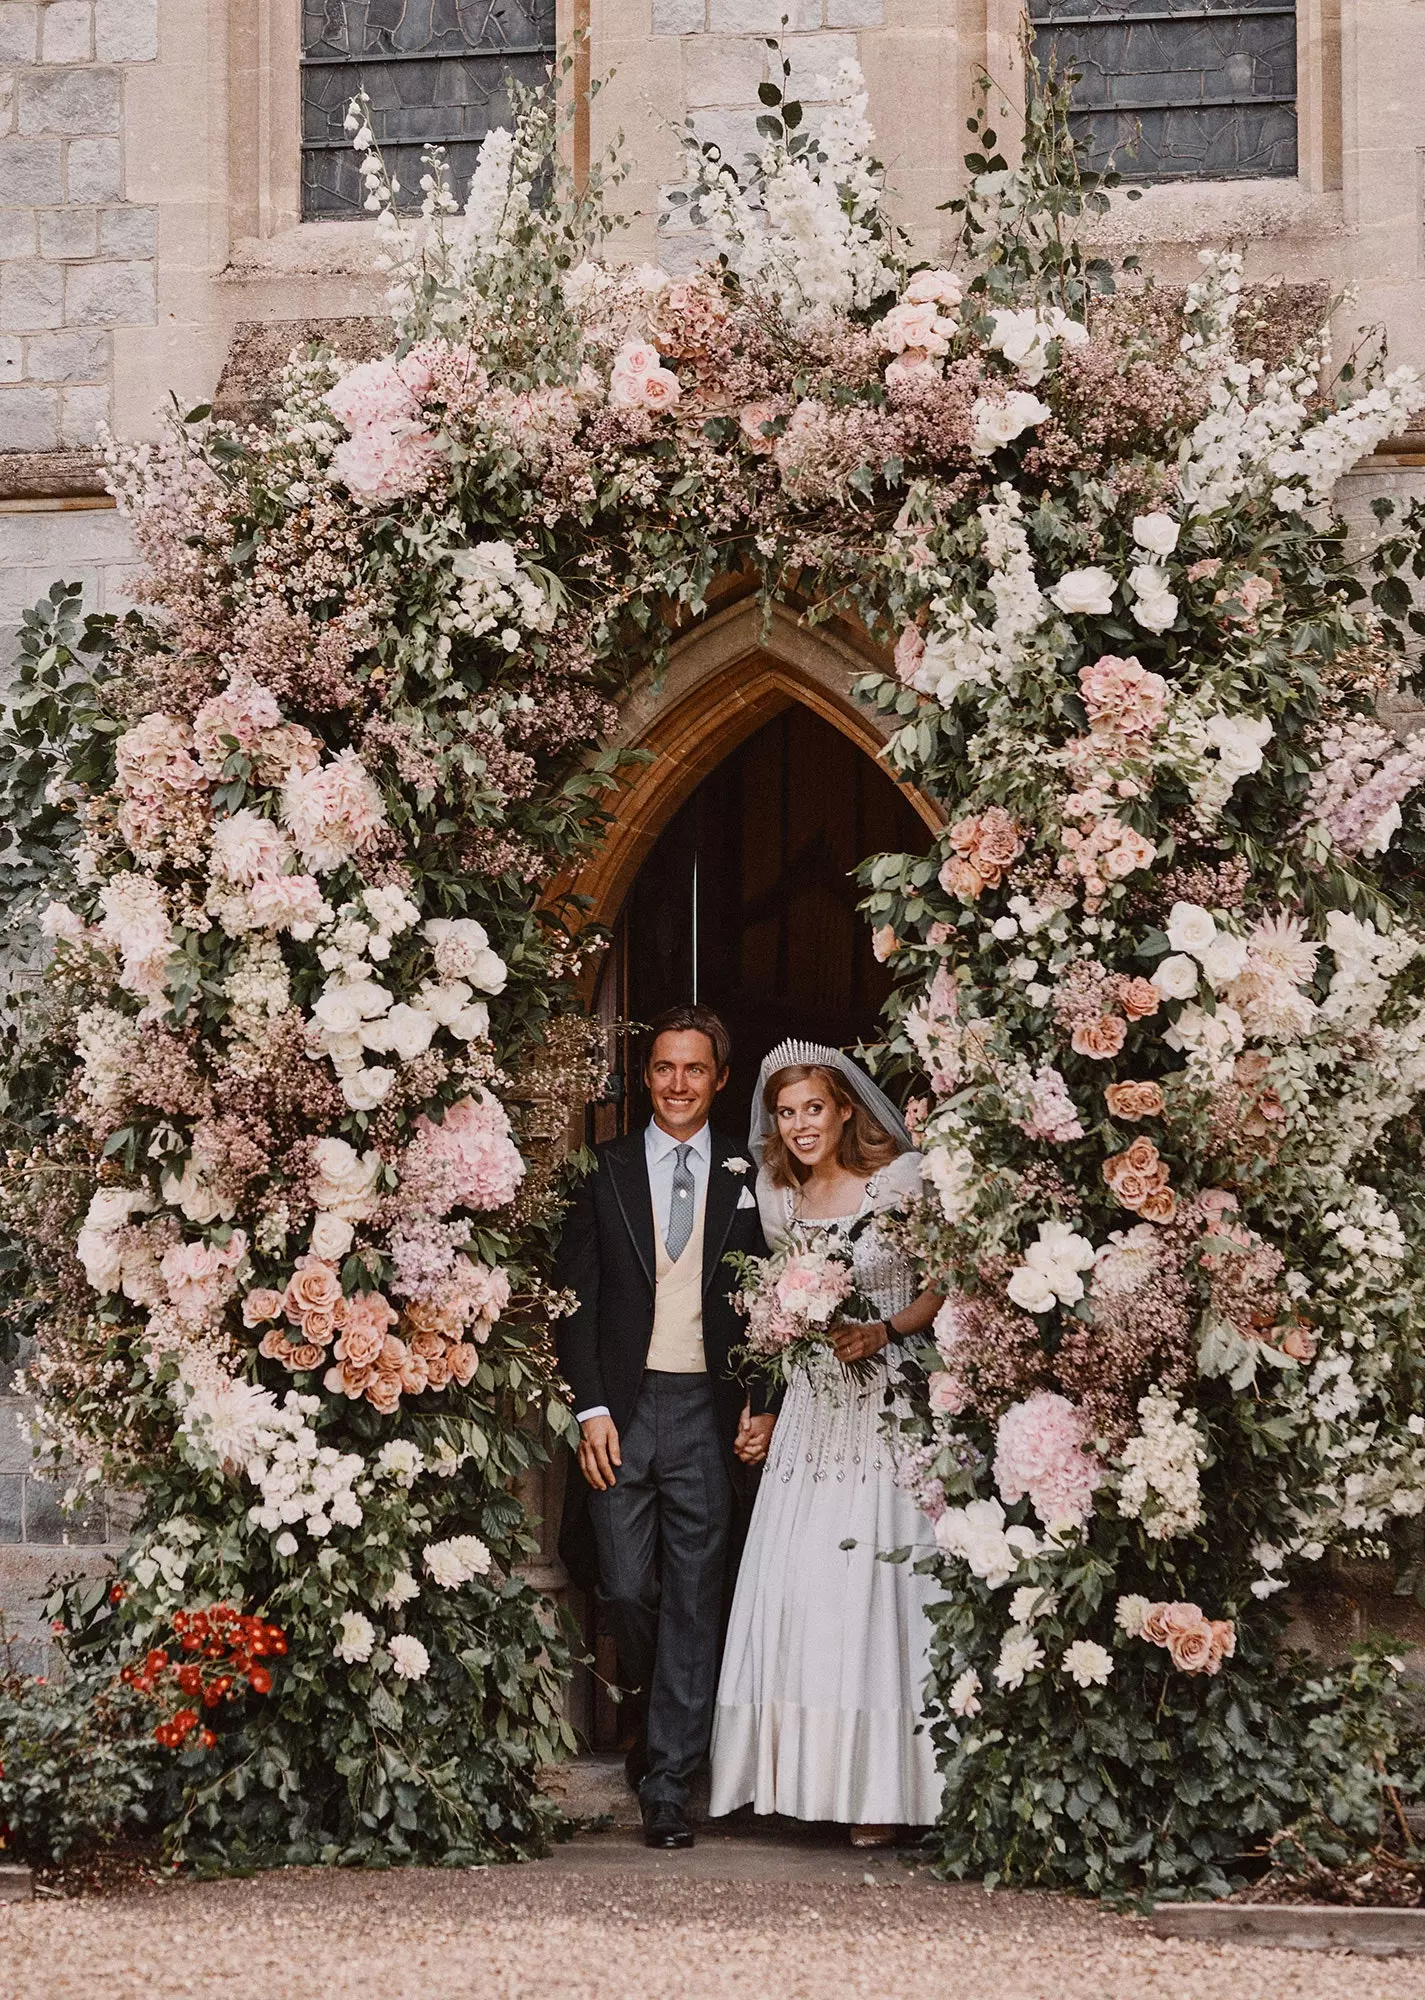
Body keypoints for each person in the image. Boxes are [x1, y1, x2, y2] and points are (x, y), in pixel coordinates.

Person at [709, 1039, 944, 1845]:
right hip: (812, 1412)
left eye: (814, 1108)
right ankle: (802, 1779)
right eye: (786, 1113)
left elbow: (941, 1282)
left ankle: (885, 1790)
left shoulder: (899, 1182)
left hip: (889, 1401)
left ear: (846, 1108)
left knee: (879, 1592)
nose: (800, 1125)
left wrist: (883, 1328)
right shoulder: (778, 1198)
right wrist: (764, 1404)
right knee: (805, 1586)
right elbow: (776, 1324)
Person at [553, 1004, 773, 1850]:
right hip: (623, 1407)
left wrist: (760, 1400)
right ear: (644, 1078)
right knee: (623, 1587)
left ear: (720, 1080)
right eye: (662, 1069)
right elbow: (572, 1301)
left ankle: (670, 1783)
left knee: (694, 1597)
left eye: (694, 1070)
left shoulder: (748, 1176)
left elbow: (771, 1305)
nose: (677, 1085)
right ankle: (655, 1720)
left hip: (706, 1413)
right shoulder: (600, 1170)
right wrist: (591, 1407)